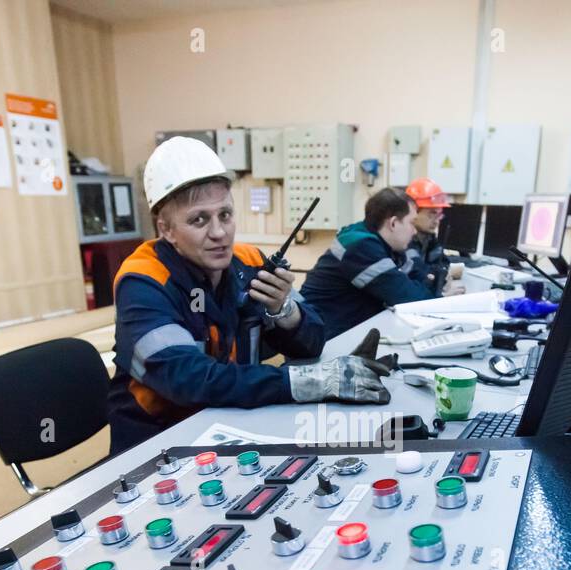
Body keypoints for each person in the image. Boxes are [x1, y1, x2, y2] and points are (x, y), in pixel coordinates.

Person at [107, 137, 391, 455]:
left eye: (225, 215)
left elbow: (312, 343)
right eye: (198, 219)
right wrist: (305, 382)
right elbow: (189, 380)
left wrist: (284, 312)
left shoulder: (250, 262)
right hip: (158, 444)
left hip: (233, 424)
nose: (218, 232)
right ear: (166, 229)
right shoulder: (143, 281)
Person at [298, 187, 438, 341]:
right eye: (412, 223)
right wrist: (436, 290)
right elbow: (409, 298)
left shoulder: (380, 242)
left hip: (343, 329)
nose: (414, 231)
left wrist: (430, 284)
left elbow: (417, 274)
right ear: (393, 223)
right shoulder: (361, 247)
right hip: (322, 338)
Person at [404, 177, 463, 297]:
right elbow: (417, 270)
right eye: (432, 214)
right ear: (413, 211)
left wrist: (441, 275)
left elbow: (442, 263)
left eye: (439, 215)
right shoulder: (404, 240)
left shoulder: (429, 238)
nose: (436, 221)